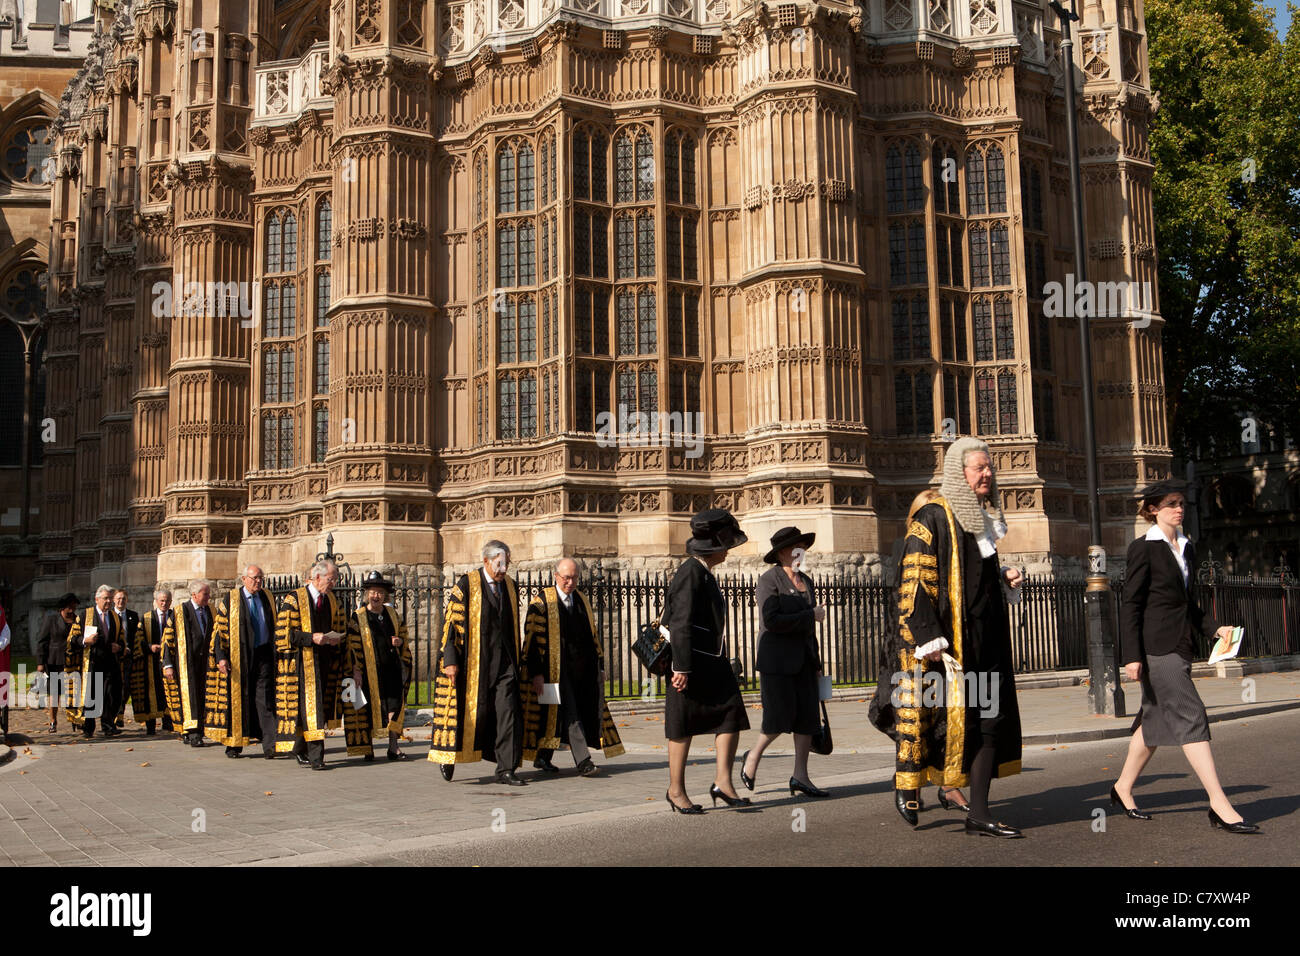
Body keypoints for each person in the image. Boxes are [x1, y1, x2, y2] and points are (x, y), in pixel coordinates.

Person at [869, 438, 1025, 837]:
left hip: (986, 641)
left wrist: (1002, 576)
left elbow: (975, 575)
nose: (987, 473)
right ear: (959, 473)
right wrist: (929, 638)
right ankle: (908, 785)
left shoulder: (981, 519)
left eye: (989, 467)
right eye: (979, 468)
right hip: (950, 644)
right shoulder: (932, 516)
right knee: (934, 721)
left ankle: (979, 813)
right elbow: (914, 578)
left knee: (989, 723)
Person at [1110, 479, 1259, 833]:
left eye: (1181, 503)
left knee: (1154, 722)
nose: (1179, 509)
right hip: (1157, 647)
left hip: (1181, 644)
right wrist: (1131, 655)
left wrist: (1214, 629)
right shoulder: (1144, 548)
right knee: (1191, 715)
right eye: (1171, 504)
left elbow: (1188, 603)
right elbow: (1131, 604)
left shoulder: (1186, 547)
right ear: (1152, 510)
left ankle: (1121, 788)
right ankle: (1219, 804)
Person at [664, 509, 751, 814]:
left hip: (712, 661)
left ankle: (723, 783)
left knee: (731, 715)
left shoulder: (703, 572)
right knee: (682, 723)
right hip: (690, 664)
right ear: (713, 546)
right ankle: (675, 790)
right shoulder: (690, 571)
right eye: (726, 543)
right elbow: (681, 621)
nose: (728, 549)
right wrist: (681, 667)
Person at [741, 527, 829, 799]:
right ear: (782, 553)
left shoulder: (807, 582)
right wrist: (809, 614)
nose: (801, 552)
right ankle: (752, 756)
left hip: (803, 660)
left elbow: (808, 631)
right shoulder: (770, 580)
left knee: (807, 720)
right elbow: (772, 621)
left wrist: (816, 661)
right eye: (795, 548)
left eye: (803, 547)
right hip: (777, 661)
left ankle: (800, 776)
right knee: (778, 719)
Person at [429, 540, 526, 785]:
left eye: (506, 563)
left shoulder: (511, 587)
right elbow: (451, 625)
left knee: (508, 713)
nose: (503, 569)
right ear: (486, 561)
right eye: (499, 564)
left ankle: (506, 769)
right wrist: (450, 661)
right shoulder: (466, 585)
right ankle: (448, 756)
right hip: (474, 663)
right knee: (471, 714)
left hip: (505, 663)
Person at [522, 558, 625, 777]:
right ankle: (584, 761)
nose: (570, 582)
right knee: (571, 713)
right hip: (553, 672)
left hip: (580, 670)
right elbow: (531, 640)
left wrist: (600, 666)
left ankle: (543, 757)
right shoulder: (541, 602)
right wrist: (537, 674)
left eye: (575, 577)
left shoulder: (581, 600)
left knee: (556, 715)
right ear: (556, 576)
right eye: (566, 577)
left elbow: (592, 636)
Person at [275, 559, 347, 770]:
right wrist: (310, 637)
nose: (333, 583)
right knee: (312, 710)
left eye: (334, 579)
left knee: (315, 710)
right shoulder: (294, 599)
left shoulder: (332, 600)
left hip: (324, 663)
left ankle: (300, 749)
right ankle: (317, 757)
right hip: (301, 666)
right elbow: (284, 635)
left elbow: (340, 628)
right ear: (317, 577)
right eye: (331, 578)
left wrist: (335, 639)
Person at [209, 566, 278, 758]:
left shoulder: (267, 596)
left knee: (264, 699)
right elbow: (219, 631)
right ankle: (234, 744)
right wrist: (221, 657)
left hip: (263, 653)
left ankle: (270, 744)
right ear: (244, 579)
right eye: (254, 578)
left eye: (260, 578)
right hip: (239, 657)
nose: (258, 582)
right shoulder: (231, 599)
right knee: (240, 700)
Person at [344, 570, 413, 762]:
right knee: (367, 710)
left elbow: (404, 634)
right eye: (373, 592)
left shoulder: (392, 614)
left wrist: (400, 642)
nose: (376, 596)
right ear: (367, 594)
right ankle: (368, 748)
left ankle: (393, 747)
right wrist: (356, 670)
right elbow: (352, 646)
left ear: (385, 595)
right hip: (368, 672)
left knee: (394, 707)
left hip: (390, 669)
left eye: (380, 593)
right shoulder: (358, 617)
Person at [162, 580, 217, 747]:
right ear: (194, 595)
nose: (209, 597)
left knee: (202, 697)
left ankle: (195, 730)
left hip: (206, 662)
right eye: (205, 594)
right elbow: (168, 639)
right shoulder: (180, 611)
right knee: (189, 698)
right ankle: (193, 733)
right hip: (186, 663)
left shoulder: (211, 611)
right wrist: (167, 664)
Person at [65, 585, 125, 738]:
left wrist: (119, 647)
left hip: (110, 662)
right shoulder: (85, 616)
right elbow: (72, 638)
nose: (109, 601)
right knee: (91, 695)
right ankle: (88, 726)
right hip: (92, 661)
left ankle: (108, 724)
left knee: (110, 694)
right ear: (96, 599)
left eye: (110, 598)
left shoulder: (115, 617)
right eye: (105, 598)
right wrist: (85, 640)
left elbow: (122, 639)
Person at [132, 590, 172, 736]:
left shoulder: (174, 616)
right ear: (156, 601)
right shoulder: (146, 618)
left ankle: (169, 723)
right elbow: (138, 640)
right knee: (151, 693)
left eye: (167, 601)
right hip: (151, 662)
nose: (164, 603)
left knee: (169, 690)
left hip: (170, 662)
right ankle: (151, 726)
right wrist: (149, 647)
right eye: (161, 600)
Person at [36, 593, 77, 733]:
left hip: (73, 661)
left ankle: (75, 719)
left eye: (74, 606)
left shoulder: (77, 620)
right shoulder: (52, 619)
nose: (72, 609)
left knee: (73, 692)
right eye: (70, 606)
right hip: (55, 661)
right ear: (63, 608)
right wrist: (41, 662)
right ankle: (53, 721)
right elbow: (42, 641)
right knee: (55, 692)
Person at [111, 589, 138, 731]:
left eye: (123, 599)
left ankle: (120, 714)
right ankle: (113, 715)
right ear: (114, 600)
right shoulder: (109, 615)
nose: (121, 601)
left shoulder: (133, 616)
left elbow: (136, 637)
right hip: (114, 656)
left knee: (126, 685)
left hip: (128, 656)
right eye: (118, 598)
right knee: (114, 686)